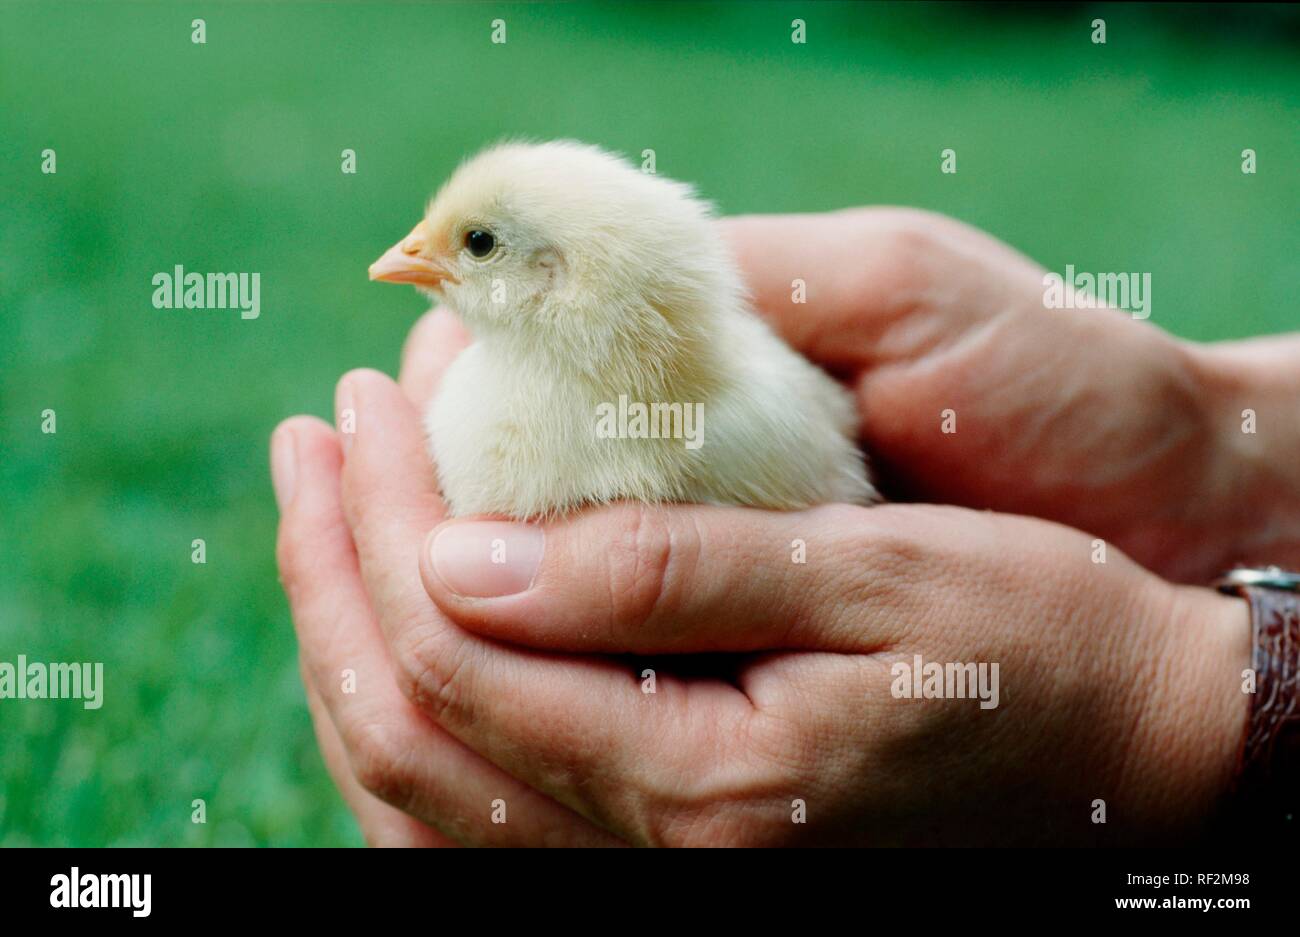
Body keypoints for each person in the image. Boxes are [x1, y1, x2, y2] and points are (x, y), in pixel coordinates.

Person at [270, 208, 1300, 846]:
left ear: (555, 276)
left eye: (476, 242)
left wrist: (1175, 707)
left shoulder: (727, 414)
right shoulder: (533, 388)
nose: (411, 253)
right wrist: (1215, 447)